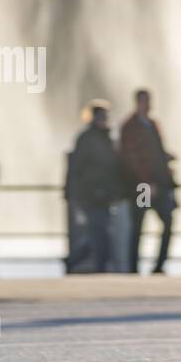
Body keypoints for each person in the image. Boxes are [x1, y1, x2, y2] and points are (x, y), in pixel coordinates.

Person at [119, 88, 177, 274]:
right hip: (143, 186)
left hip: (158, 183)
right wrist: (147, 182)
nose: (149, 105)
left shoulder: (152, 124)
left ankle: (159, 265)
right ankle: (133, 267)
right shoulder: (130, 126)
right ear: (138, 102)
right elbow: (131, 158)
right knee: (139, 223)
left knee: (167, 221)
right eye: (146, 101)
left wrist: (166, 159)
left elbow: (156, 151)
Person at [65, 100, 123, 273]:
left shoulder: (107, 139)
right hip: (90, 194)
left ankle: (74, 261)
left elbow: (114, 168)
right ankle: (98, 267)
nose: (104, 119)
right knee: (99, 234)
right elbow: (75, 168)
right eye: (100, 116)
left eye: (105, 116)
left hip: (105, 195)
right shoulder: (87, 139)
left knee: (97, 234)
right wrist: (71, 192)